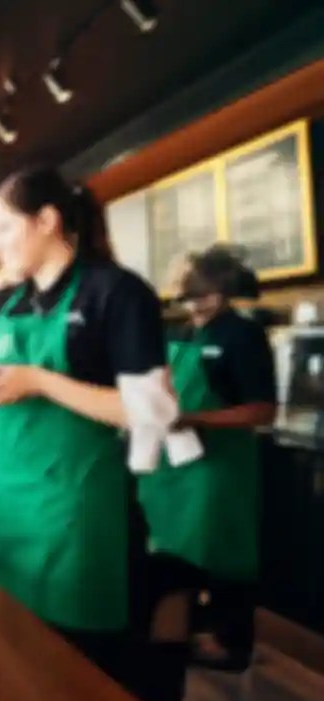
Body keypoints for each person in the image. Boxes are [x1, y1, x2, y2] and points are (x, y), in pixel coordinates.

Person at [0, 166, 174, 701]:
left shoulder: (115, 293)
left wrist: (40, 380)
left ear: (46, 221)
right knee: (0, 669)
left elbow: (153, 412)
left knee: (69, 681)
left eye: (2, 230)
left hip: (72, 516)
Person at [138, 246, 275, 673]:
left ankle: (232, 644)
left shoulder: (242, 335)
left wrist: (195, 418)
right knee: (172, 556)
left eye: (190, 279)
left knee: (223, 555)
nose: (182, 287)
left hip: (220, 468)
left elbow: (262, 410)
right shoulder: (179, 333)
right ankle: (182, 633)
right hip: (171, 467)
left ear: (217, 286)